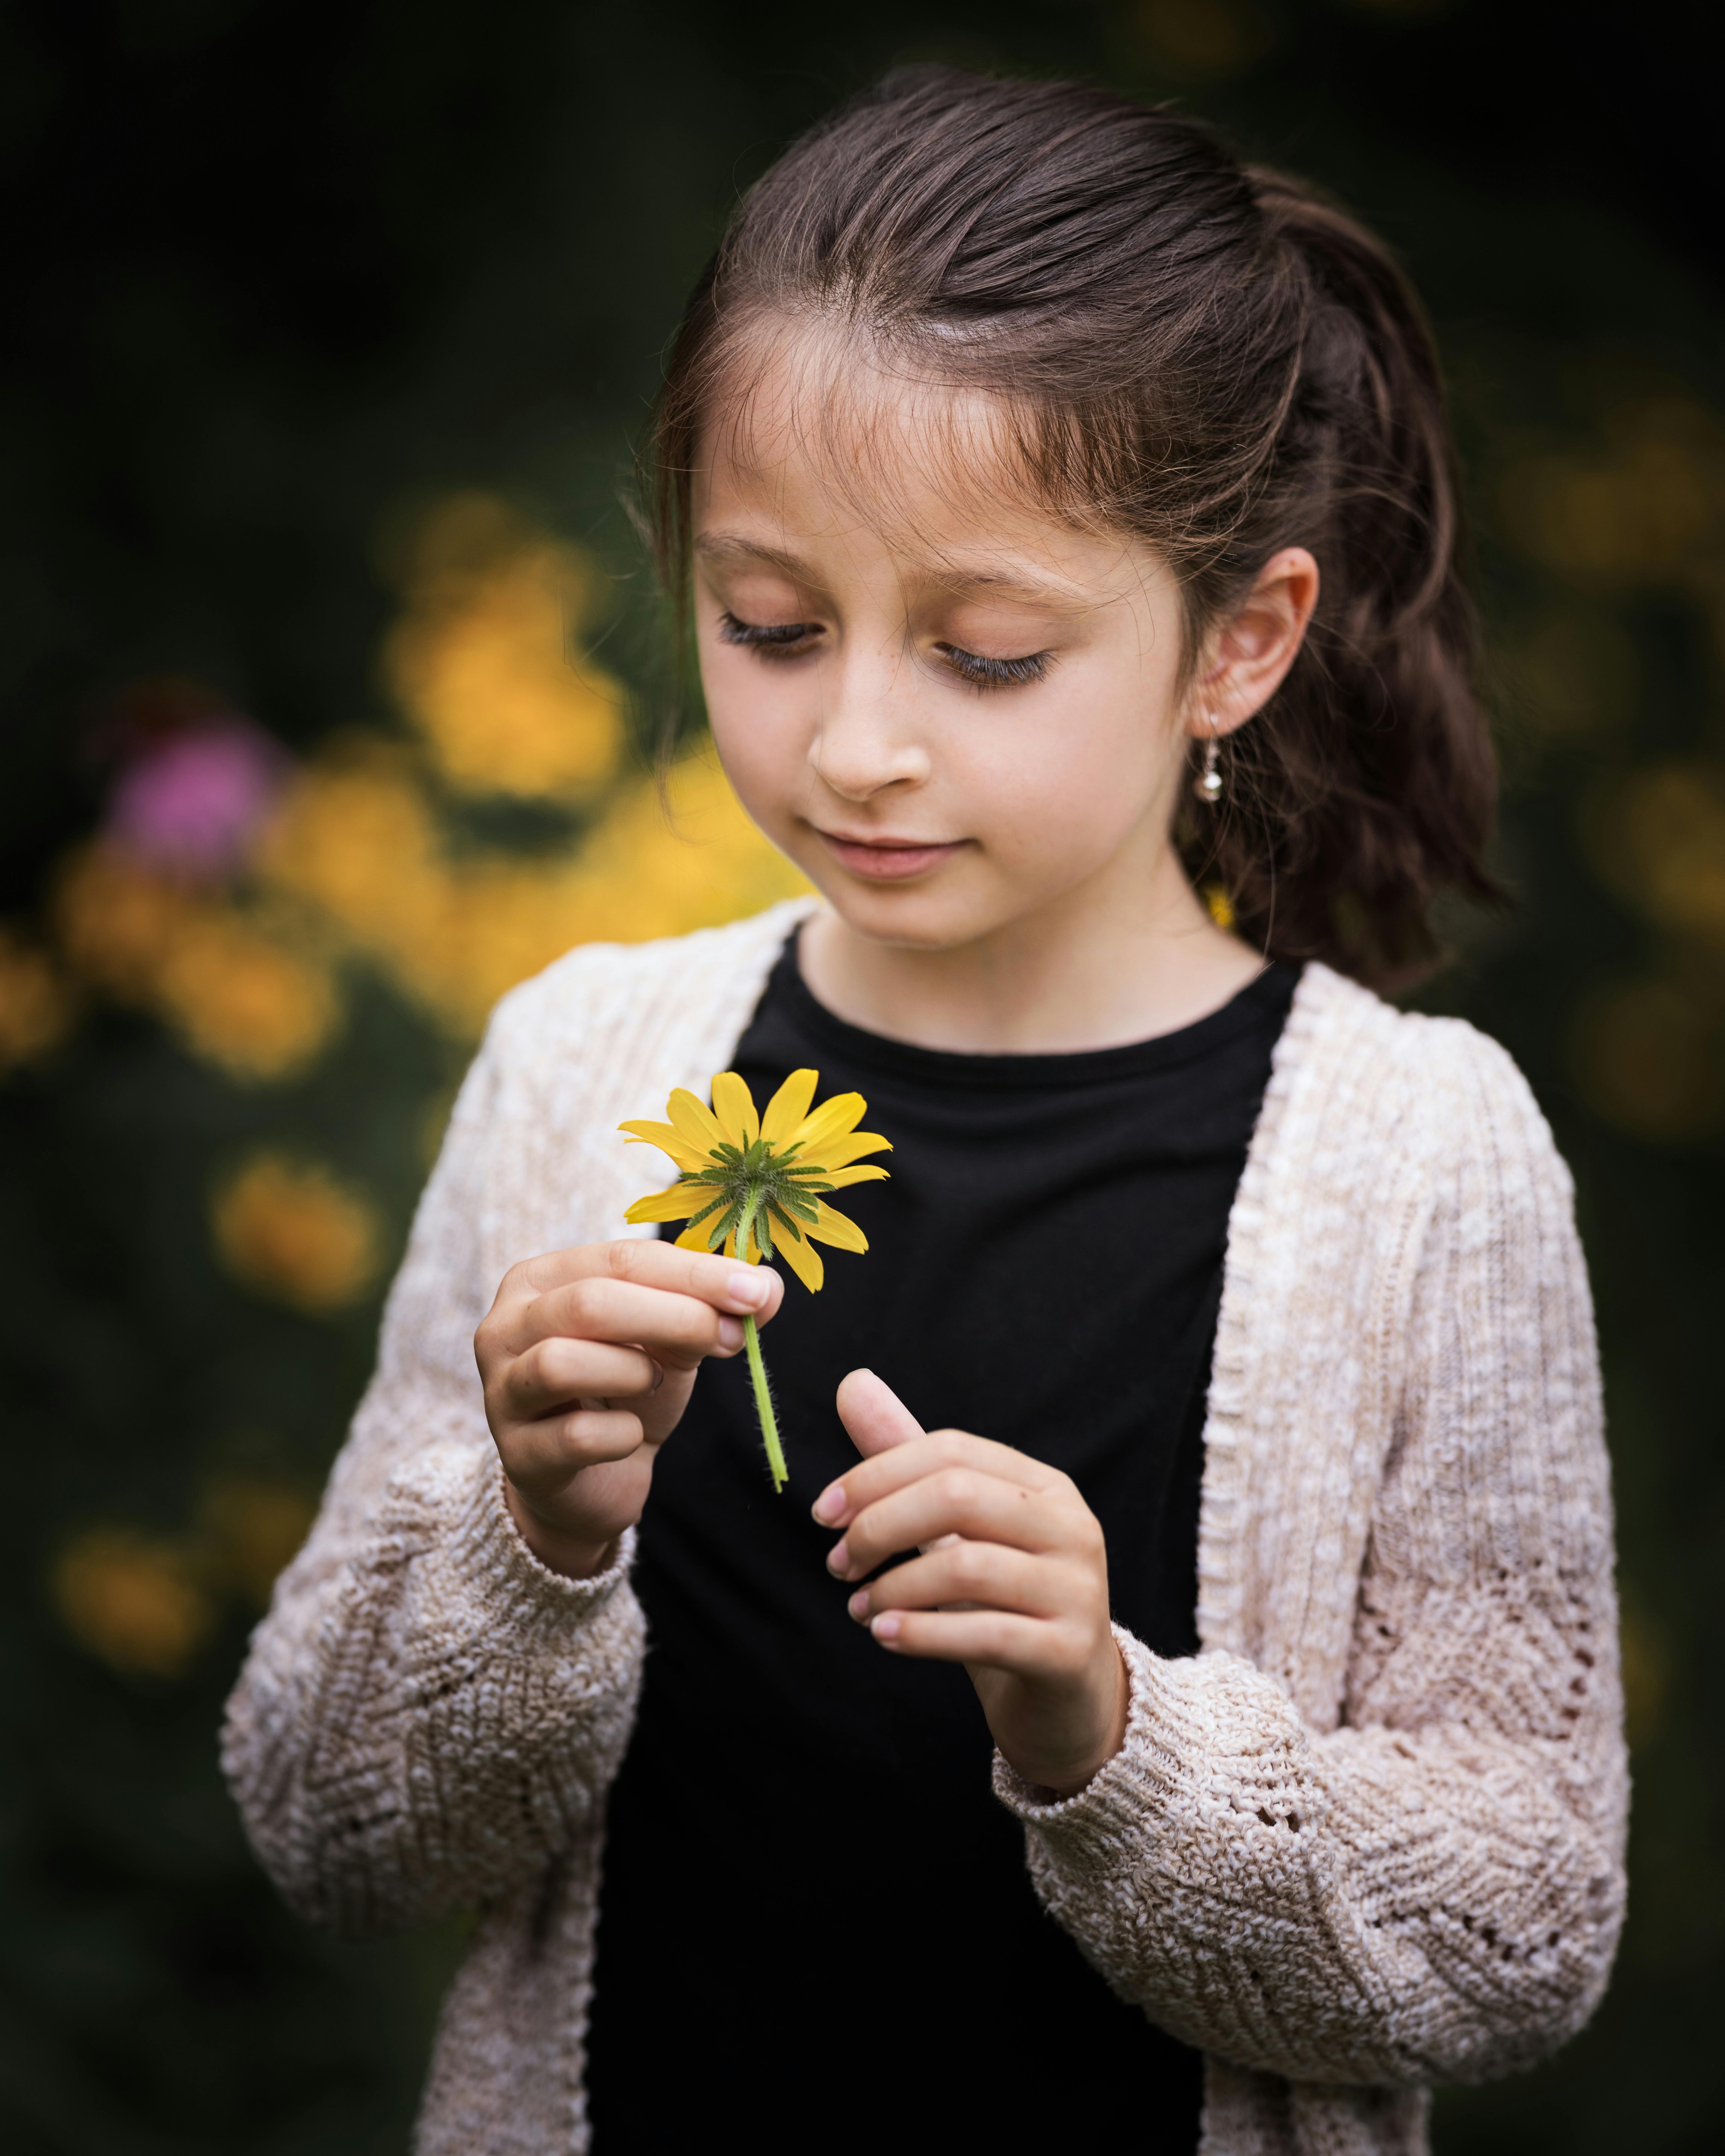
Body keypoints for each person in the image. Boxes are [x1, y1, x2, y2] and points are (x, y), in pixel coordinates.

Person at [223, 67, 1627, 2156]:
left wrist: (1114, 1727)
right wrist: (526, 1543)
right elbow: (326, 1827)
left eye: (982, 654)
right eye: (769, 625)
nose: (855, 741)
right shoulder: (587, 1066)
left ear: (1236, 641)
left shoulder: (1420, 1161)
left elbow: (1520, 1923)